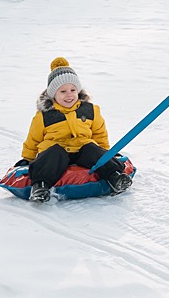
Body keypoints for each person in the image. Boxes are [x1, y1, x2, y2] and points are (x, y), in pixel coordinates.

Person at [21, 57, 132, 202]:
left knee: (91, 149)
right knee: (52, 154)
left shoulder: (90, 110)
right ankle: (40, 186)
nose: (69, 95)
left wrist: (105, 152)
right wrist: (27, 159)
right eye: (63, 91)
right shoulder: (44, 115)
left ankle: (114, 176)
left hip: (82, 149)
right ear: (53, 94)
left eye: (73, 90)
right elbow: (33, 140)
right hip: (57, 152)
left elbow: (99, 133)